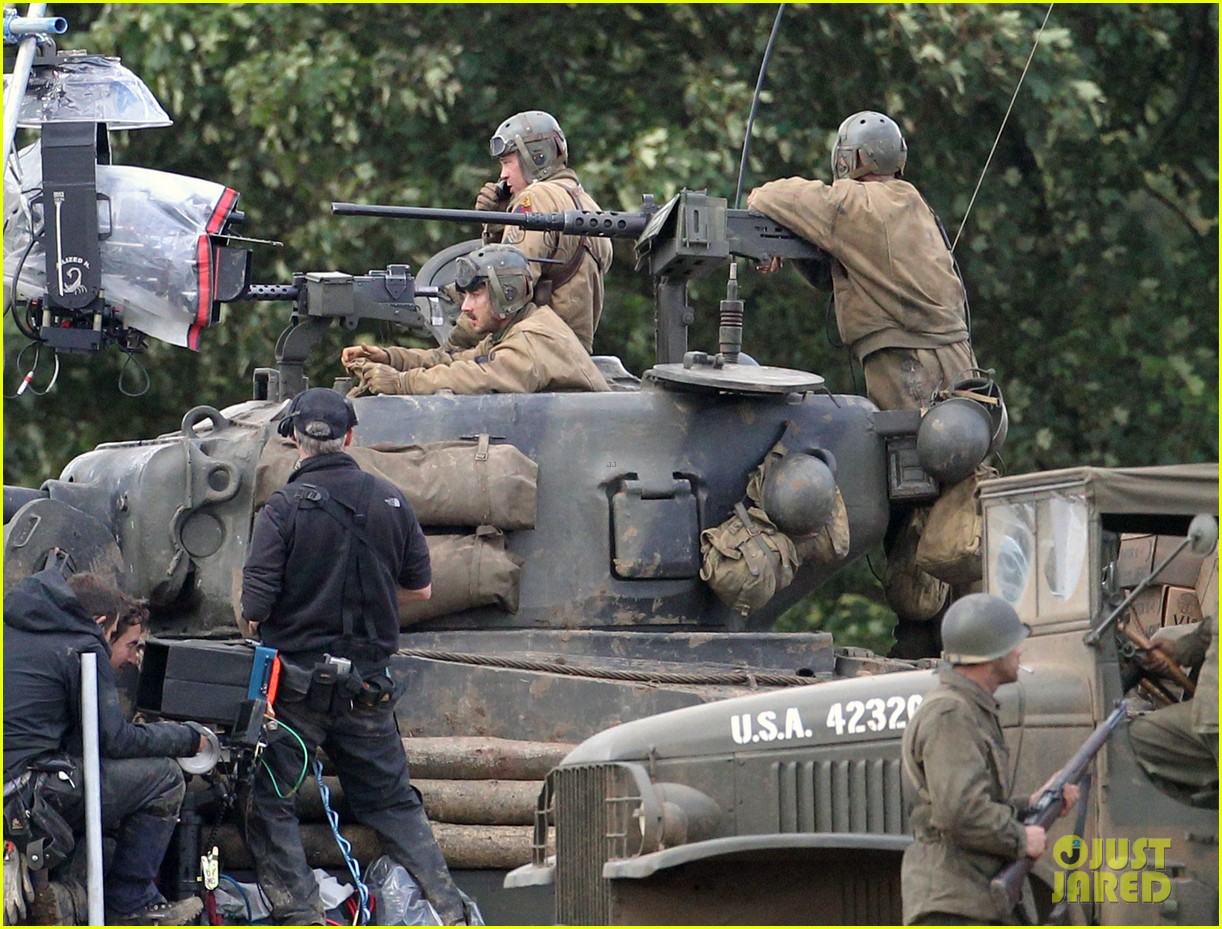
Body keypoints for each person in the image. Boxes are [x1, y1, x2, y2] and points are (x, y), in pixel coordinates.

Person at [241, 387, 470, 925]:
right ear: (349, 436)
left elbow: (254, 608)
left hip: (295, 693)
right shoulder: (391, 501)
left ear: (295, 438)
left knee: (268, 797)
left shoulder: (281, 511)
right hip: (368, 689)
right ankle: (451, 911)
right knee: (393, 806)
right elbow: (421, 591)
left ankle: (300, 914)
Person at [2, 567, 207, 926]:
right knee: (164, 779)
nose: (126, 654)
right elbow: (114, 740)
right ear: (99, 622)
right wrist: (187, 737)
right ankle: (131, 903)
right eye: (116, 637)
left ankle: (66, 897)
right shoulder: (81, 642)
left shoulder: (15, 629)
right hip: (28, 793)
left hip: (19, 782)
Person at [747, 110, 976, 412]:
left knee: (906, 451)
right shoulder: (914, 203)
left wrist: (763, 207)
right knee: (961, 451)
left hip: (909, 360)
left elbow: (770, 196)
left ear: (847, 159)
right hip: (960, 360)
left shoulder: (855, 203)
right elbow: (835, 272)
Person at [901, 594, 1080, 925]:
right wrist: (1021, 838)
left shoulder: (969, 707)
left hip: (970, 899)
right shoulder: (951, 712)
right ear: (990, 652)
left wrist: (1033, 804)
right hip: (954, 906)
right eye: (1013, 643)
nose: (1019, 651)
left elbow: (973, 801)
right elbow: (959, 812)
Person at [342, 243, 610, 396]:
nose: (466, 306)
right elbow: (453, 361)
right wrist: (391, 359)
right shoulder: (509, 332)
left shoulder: (532, 338)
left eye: (475, 294)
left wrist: (402, 383)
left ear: (507, 294)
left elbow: (479, 377)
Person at [459, 109, 612, 353]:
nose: (503, 175)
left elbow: (506, 288)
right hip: (571, 352)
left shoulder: (537, 197)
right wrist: (500, 223)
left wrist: (453, 345)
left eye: (508, 162)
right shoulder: (587, 204)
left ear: (537, 157)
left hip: (535, 349)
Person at [1129, 564, 1218, 790]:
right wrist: (1177, 650)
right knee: (1139, 735)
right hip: (1208, 711)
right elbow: (1214, 627)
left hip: (1214, 716)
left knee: (1136, 741)